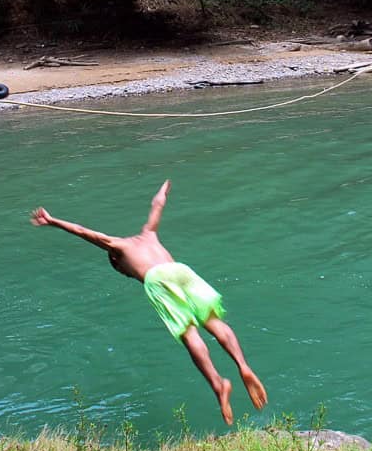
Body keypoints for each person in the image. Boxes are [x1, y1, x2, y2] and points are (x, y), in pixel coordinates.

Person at [30, 180, 267, 425]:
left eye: (123, 271)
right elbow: (157, 205)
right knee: (213, 321)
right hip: (180, 270)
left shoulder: (116, 246)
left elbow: (83, 231)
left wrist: (53, 220)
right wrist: (163, 190)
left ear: (115, 259)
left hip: (158, 278)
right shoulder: (149, 233)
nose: (127, 274)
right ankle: (243, 365)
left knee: (189, 334)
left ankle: (219, 384)